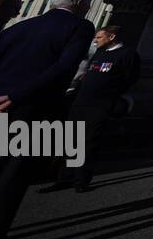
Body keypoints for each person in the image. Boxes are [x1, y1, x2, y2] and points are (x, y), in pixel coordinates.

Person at [0, 0, 95, 239]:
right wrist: (15, 97)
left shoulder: (17, 28)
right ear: (81, 4)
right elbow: (63, 68)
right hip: (34, 112)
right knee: (11, 179)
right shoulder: (79, 27)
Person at [42, 26, 140, 192]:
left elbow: (131, 77)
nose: (95, 40)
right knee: (72, 141)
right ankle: (65, 178)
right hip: (81, 102)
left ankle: (81, 181)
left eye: (99, 37)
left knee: (89, 143)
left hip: (101, 105)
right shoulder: (100, 52)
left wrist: (112, 93)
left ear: (111, 37)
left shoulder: (127, 54)